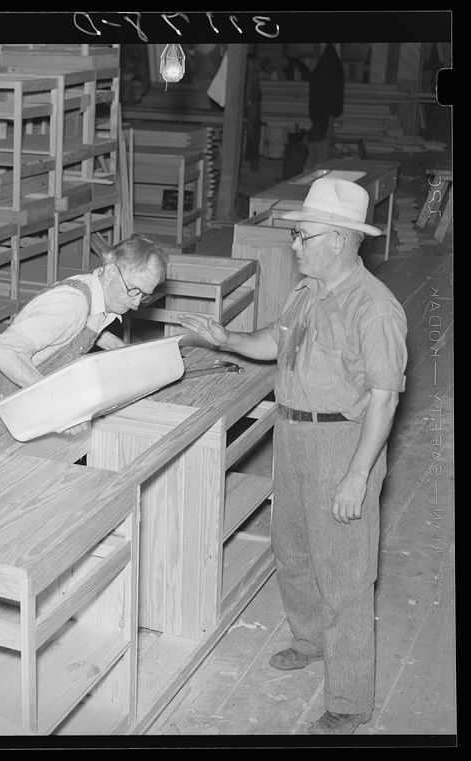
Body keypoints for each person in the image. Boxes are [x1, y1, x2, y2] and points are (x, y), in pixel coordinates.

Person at [178, 178, 407, 736]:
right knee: (294, 547)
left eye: (304, 237)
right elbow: (275, 344)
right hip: (293, 434)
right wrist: (224, 339)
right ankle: (310, 639)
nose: (295, 247)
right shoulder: (306, 291)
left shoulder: (374, 309)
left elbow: (384, 396)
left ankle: (350, 701)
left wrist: (357, 475)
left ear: (341, 239)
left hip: (341, 444)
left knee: (346, 574)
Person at [0, 234, 167, 454]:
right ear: (110, 271)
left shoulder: (99, 295)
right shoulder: (70, 305)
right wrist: (60, 407)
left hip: (26, 414)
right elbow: (3, 353)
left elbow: (82, 329)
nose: (137, 303)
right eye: (134, 291)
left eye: (145, 296)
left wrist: (124, 353)